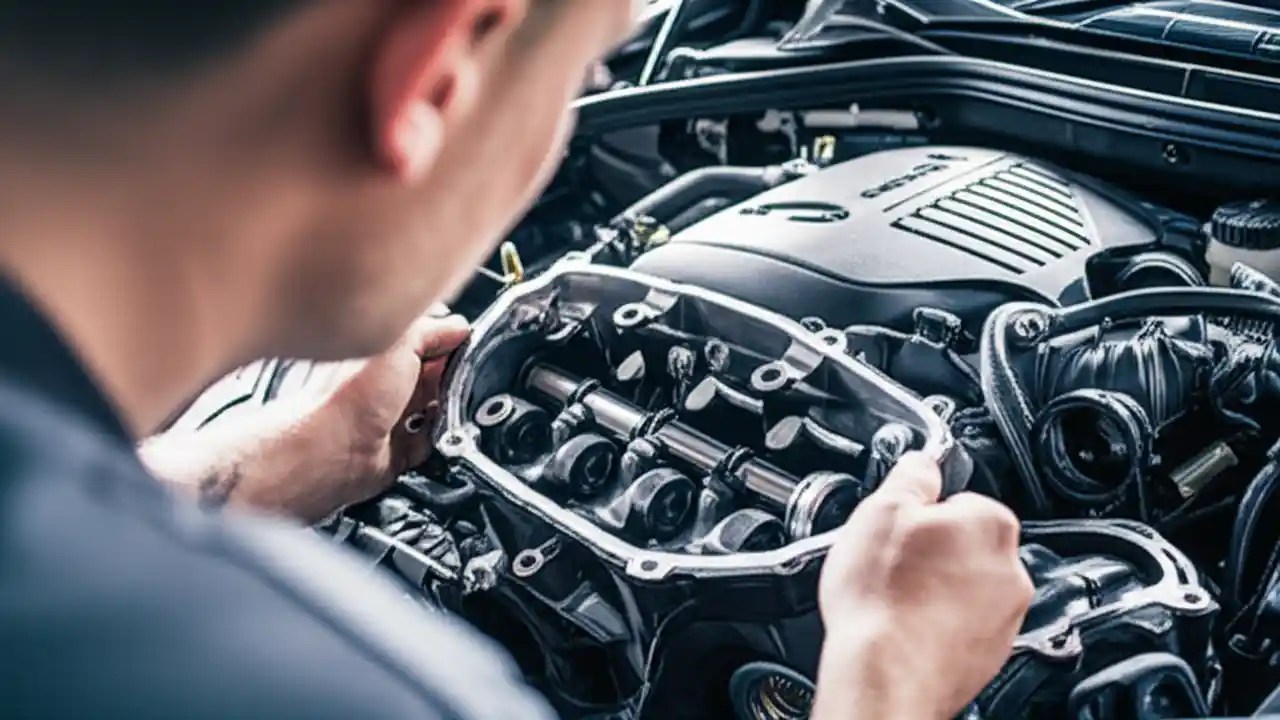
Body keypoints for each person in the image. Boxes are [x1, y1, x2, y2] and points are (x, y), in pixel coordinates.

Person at [0, 1, 1034, 718]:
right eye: (588, 71)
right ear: (435, 75)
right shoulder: (358, 695)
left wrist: (262, 464)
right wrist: (881, 691)